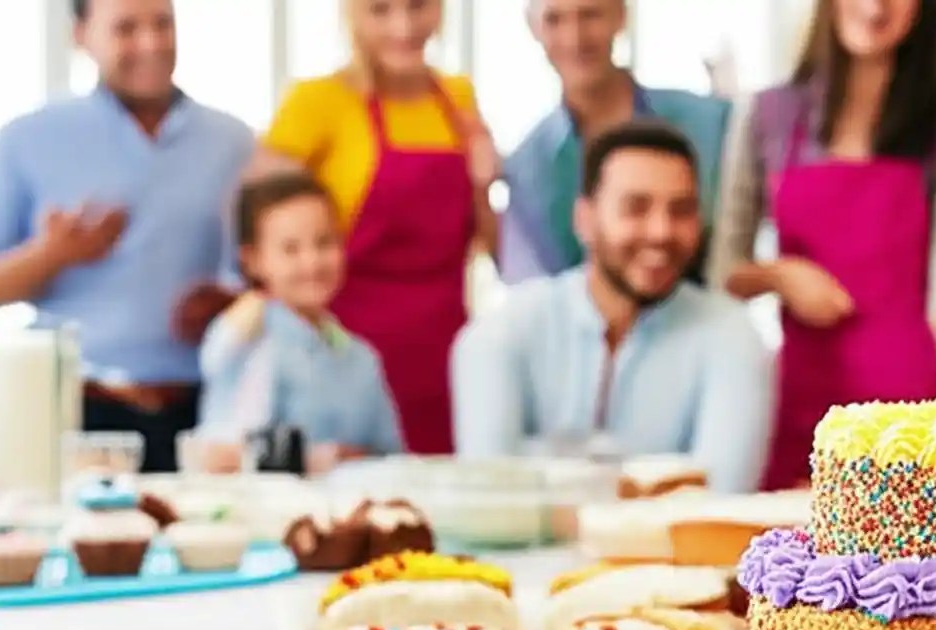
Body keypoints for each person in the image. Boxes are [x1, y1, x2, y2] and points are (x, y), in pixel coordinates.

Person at [709, 0, 936, 491]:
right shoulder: (766, 117)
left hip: (915, 421)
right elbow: (725, 272)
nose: (874, 6)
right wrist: (781, 275)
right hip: (804, 408)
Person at [0, 0, 253, 472]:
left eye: (162, 24)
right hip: (77, 417)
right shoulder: (26, 139)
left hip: (204, 414)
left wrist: (227, 301)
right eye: (126, 28)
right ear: (81, 34)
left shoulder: (233, 142)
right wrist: (50, 256)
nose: (151, 43)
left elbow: (261, 275)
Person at [453, 121, 773, 493]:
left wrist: (542, 467)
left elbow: (721, 497)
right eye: (636, 208)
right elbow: (488, 492)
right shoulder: (500, 334)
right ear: (584, 220)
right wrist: (660, 483)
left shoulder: (732, 335)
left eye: (681, 210)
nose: (661, 232)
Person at [257, 0, 499, 455]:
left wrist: (486, 183)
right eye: (380, 10)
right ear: (351, 16)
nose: (403, 26)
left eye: (418, 7)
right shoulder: (317, 102)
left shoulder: (458, 98)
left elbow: (490, 244)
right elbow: (258, 222)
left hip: (445, 359)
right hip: (345, 365)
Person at [501, 0, 730, 285]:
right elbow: (530, 289)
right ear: (533, 28)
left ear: (621, 16)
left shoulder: (710, 124)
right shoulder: (528, 167)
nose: (575, 38)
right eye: (554, 20)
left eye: (590, 15)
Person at [196, 175, 404, 472]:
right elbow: (220, 458)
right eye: (290, 249)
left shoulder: (361, 358)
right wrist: (326, 460)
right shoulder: (247, 338)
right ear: (252, 259)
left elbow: (392, 457)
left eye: (324, 242)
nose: (312, 262)